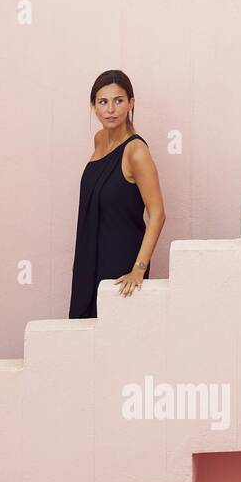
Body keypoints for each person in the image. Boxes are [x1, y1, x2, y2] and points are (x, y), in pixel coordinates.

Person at [69, 70, 166, 319]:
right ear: (94, 107)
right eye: (103, 102)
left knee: (115, 335)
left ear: (131, 103)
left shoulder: (136, 151)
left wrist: (138, 269)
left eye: (119, 100)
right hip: (89, 255)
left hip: (121, 261)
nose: (111, 109)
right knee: (86, 336)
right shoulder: (99, 140)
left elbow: (157, 214)